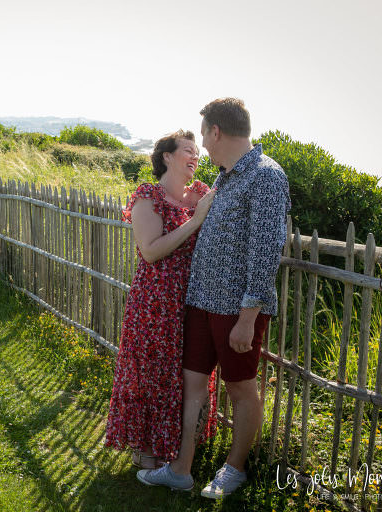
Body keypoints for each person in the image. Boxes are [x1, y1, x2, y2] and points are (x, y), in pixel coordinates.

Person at [136, 98, 290, 497]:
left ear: (216, 132)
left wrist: (247, 318)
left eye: (203, 135)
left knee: (240, 388)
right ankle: (181, 469)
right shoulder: (224, 178)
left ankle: (234, 470)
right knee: (193, 386)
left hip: (236, 310)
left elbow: (266, 251)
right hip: (201, 302)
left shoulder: (266, 175)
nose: (202, 145)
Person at [105, 130, 218, 476]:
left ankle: (178, 450)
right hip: (154, 301)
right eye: (187, 150)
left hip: (193, 299)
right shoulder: (148, 196)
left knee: (186, 374)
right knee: (151, 372)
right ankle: (147, 448)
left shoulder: (201, 194)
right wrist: (195, 221)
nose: (195, 156)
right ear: (167, 157)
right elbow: (151, 251)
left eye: (197, 151)